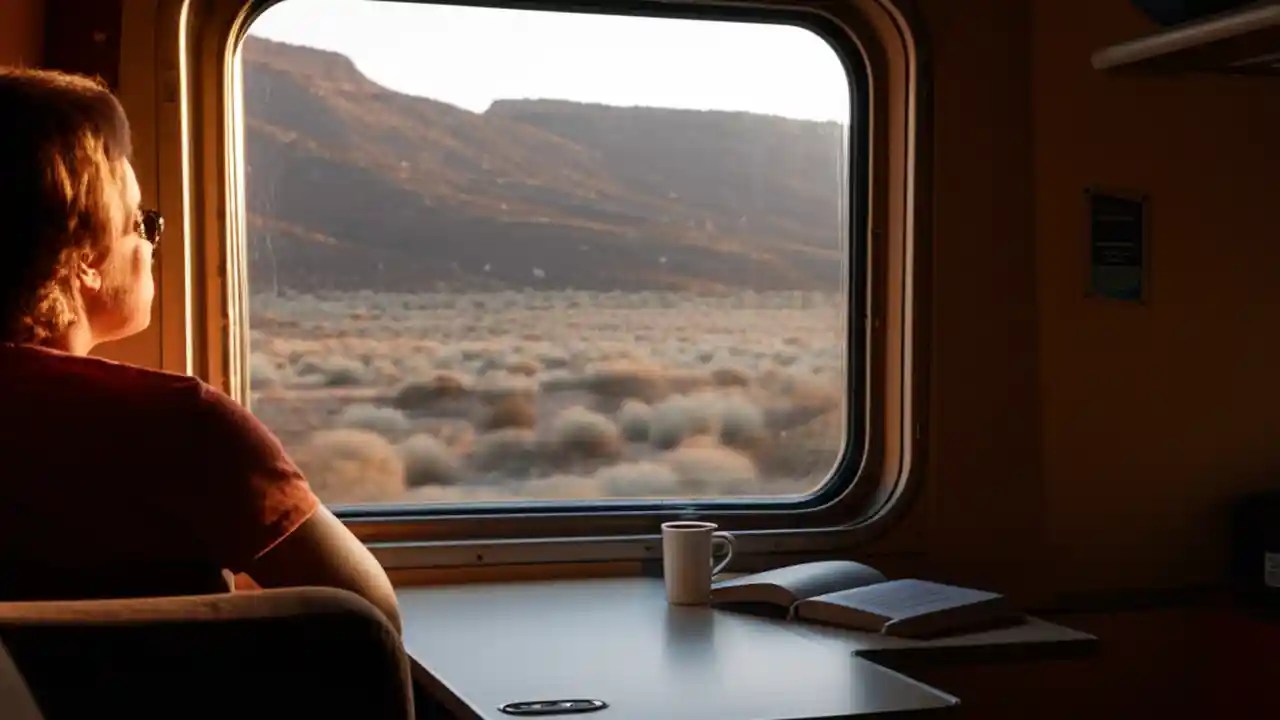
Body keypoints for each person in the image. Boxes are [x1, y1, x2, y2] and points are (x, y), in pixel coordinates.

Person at [0, 67, 400, 633]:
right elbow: (367, 623)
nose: (150, 241)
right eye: (140, 222)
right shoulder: (181, 429)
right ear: (85, 254)